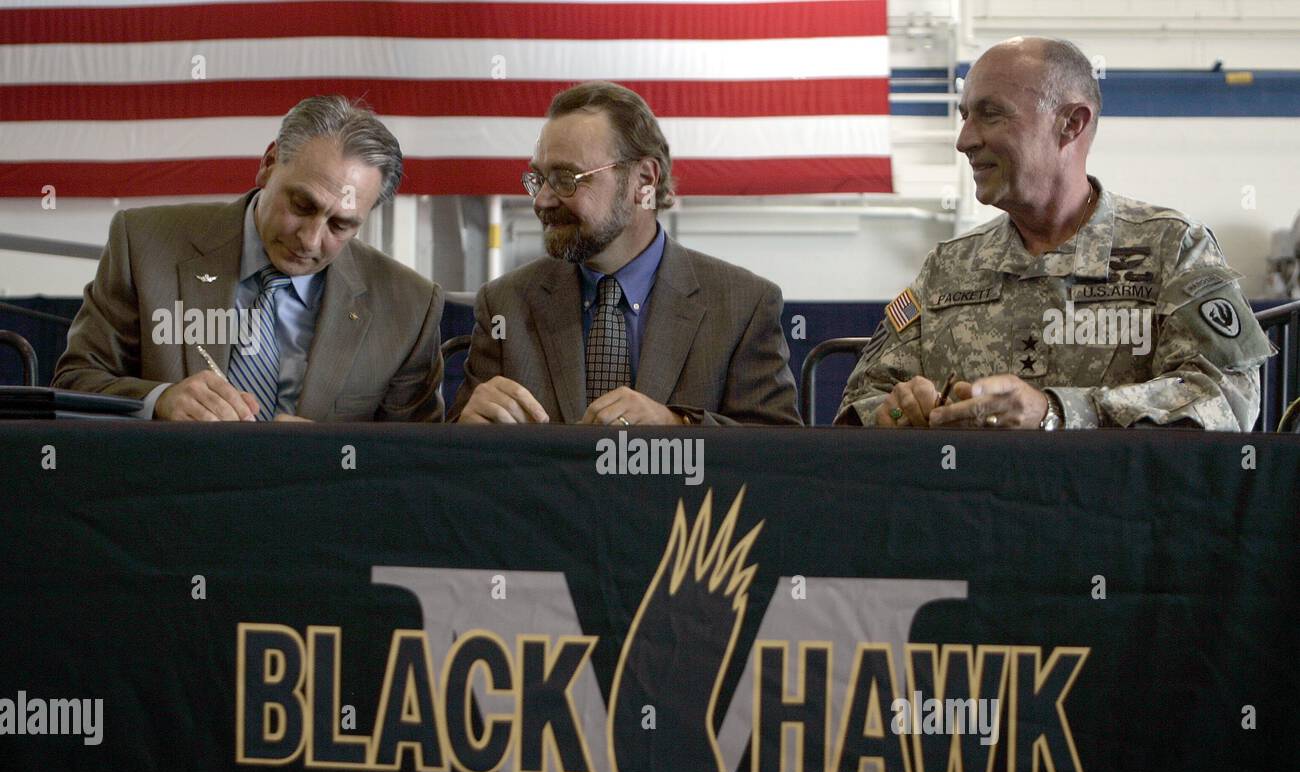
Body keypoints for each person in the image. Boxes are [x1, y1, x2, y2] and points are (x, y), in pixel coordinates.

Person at [836, 37, 1272, 432]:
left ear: (1071, 124)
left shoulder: (1172, 250)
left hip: (1114, 514)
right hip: (969, 511)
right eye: (965, 116)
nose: (964, 140)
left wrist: (1055, 413)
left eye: (990, 114)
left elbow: (1225, 398)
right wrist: (897, 410)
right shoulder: (949, 266)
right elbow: (861, 398)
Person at [53, 96, 444, 422]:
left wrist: (335, 451)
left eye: (340, 225)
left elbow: (420, 459)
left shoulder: (408, 305)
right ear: (269, 163)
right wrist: (159, 400)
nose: (309, 240)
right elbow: (74, 383)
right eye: (301, 204)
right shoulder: (144, 243)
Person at [450, 82, 800, 426]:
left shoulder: (743, 305)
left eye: (567, 178)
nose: (542, 200)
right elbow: (448, 462)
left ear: (643, 180)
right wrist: (467, 434)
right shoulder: (504, 303)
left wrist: (680, 427)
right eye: (538, 179)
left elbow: (780, 459)